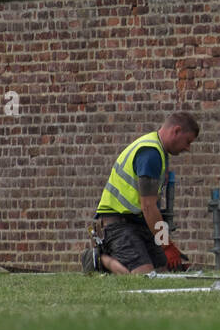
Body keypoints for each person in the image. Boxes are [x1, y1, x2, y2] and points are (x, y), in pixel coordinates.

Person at [82, 112, 199, 274]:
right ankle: (98, 260)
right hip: (116, 225)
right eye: (187, 142)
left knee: (165, 272)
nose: (188, 148)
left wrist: (167, 245)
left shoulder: (157, 149)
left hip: (137, 224)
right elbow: (149, 207)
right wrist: (166, 245)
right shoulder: (150, 154)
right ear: (176, 131)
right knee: (144, 275)